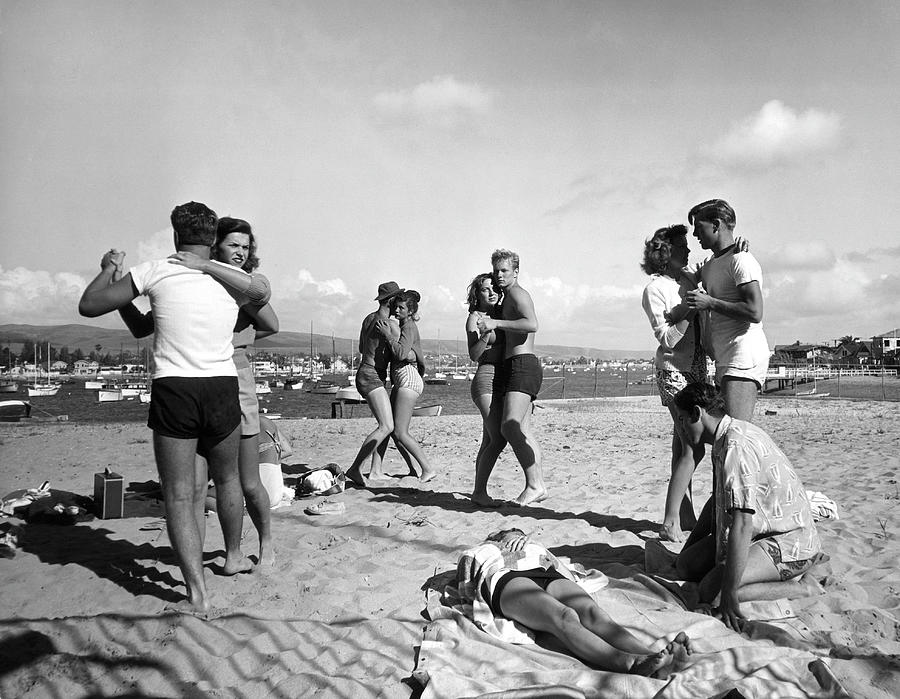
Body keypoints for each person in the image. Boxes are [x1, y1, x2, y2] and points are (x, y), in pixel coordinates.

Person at [79, 202, 252, 613]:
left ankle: (197, 593)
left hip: (175, 387)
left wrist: (109, 271)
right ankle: (233, 556)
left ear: (175, 235)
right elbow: (144, 324)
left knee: (178, 494)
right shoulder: (235, 279)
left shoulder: (156, 270)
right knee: (227, 480)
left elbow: (88, 305)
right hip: (222, 385)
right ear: (213, 239)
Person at [112, 216, 280, 567]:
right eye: (233, 245)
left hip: (236, 384)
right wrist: (120, 293)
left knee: (248, 482)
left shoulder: (238, 284)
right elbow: (144, 327)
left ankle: (265, 545)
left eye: (245, 247)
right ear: (214, 243)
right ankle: (204, 558)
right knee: (197, 486)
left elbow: (270, 320)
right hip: (196, 386)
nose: (240, 252)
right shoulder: (187, 281)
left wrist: (236, 340)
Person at [672, 382, 824, 631]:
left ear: (698, 413)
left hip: (786, 539)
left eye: (681, 419)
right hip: (759, 532)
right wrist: (687, 550)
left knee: (713, 591)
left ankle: (801, 588)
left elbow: (742, 523)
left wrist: (730, 591)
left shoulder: (736, 446)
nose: (680, 429)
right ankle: (739, 580)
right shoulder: (722, 438)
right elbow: (717, 503)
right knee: (687, 565)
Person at [455, 528, 692, 677]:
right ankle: (628, 662)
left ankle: (653, 657)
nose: (511, 535)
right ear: (495, 537)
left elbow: (559, 564)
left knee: (593, 613)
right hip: (506, 577)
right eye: (506, 533)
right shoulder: (483, 550)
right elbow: (467, 577)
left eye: (515, 533)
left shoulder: (529, 544)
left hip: (544, 571)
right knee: (564, 616)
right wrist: (494, 549)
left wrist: (527, 541)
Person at [640, 225, 708, 542]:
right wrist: (689, 308)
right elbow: (668, 340)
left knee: (683, 445)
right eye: (682, 246)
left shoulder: (687, 281)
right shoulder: (654, 290)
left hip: (697, 367)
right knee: (693, 445)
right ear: (665, 254)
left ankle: (684, 515)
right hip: (674, 370)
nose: (689, 251)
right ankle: (670, 521)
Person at [685, 200, 769, 422]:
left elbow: (755, 311)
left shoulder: (741, 260)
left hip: (743, 356)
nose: (694, 233)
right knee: (726, 435)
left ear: (715, 224)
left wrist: (710, 303)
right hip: (725, 357)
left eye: (698, 227)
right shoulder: (711, 263)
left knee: (736, 435)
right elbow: (681, 274)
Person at [477, 249, 547, 506]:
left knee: (509, 426)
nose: (499, 275)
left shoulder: (518, 294)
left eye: (504, 270)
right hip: (512, 365)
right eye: (496, 270)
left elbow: (532, 324)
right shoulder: (506, 297)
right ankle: (536, 486)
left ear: (516, 272)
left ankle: (535, 484)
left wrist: (496, 323)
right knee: (521, 429)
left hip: (523, 364)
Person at [369, 289, 436, 482]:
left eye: (401, 308)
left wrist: (387, 336)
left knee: (400, 431)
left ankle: (427, 469)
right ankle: (376, 469)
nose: (396, 311)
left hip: (407, 380)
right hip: (403, 380)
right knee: (388, 427)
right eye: (395, 307)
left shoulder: (408, 327)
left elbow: (401, 354)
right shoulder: (405, 325)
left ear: (410, 311)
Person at [345, 281, 404, 486]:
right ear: (391, 300)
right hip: (373, 375)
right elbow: (400, 353)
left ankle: (376, 470)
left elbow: (362, 348)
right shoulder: (390, 326)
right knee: (387, 425)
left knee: (386, 425)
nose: (401, 303)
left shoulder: (369, 319)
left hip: (364, 371)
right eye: (399, 298)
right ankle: (355, 468)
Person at [466, 273, 507, 506]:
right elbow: (473, 354)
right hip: (485, 379)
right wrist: (486, 336)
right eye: (484, 289)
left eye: (493, 288)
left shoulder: (500, 314)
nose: (491, 292)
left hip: (501, 380)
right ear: (476, 294)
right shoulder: (475, 317)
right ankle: (479, 492)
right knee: (498, 439)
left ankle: (478, 491)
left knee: (488, 440)